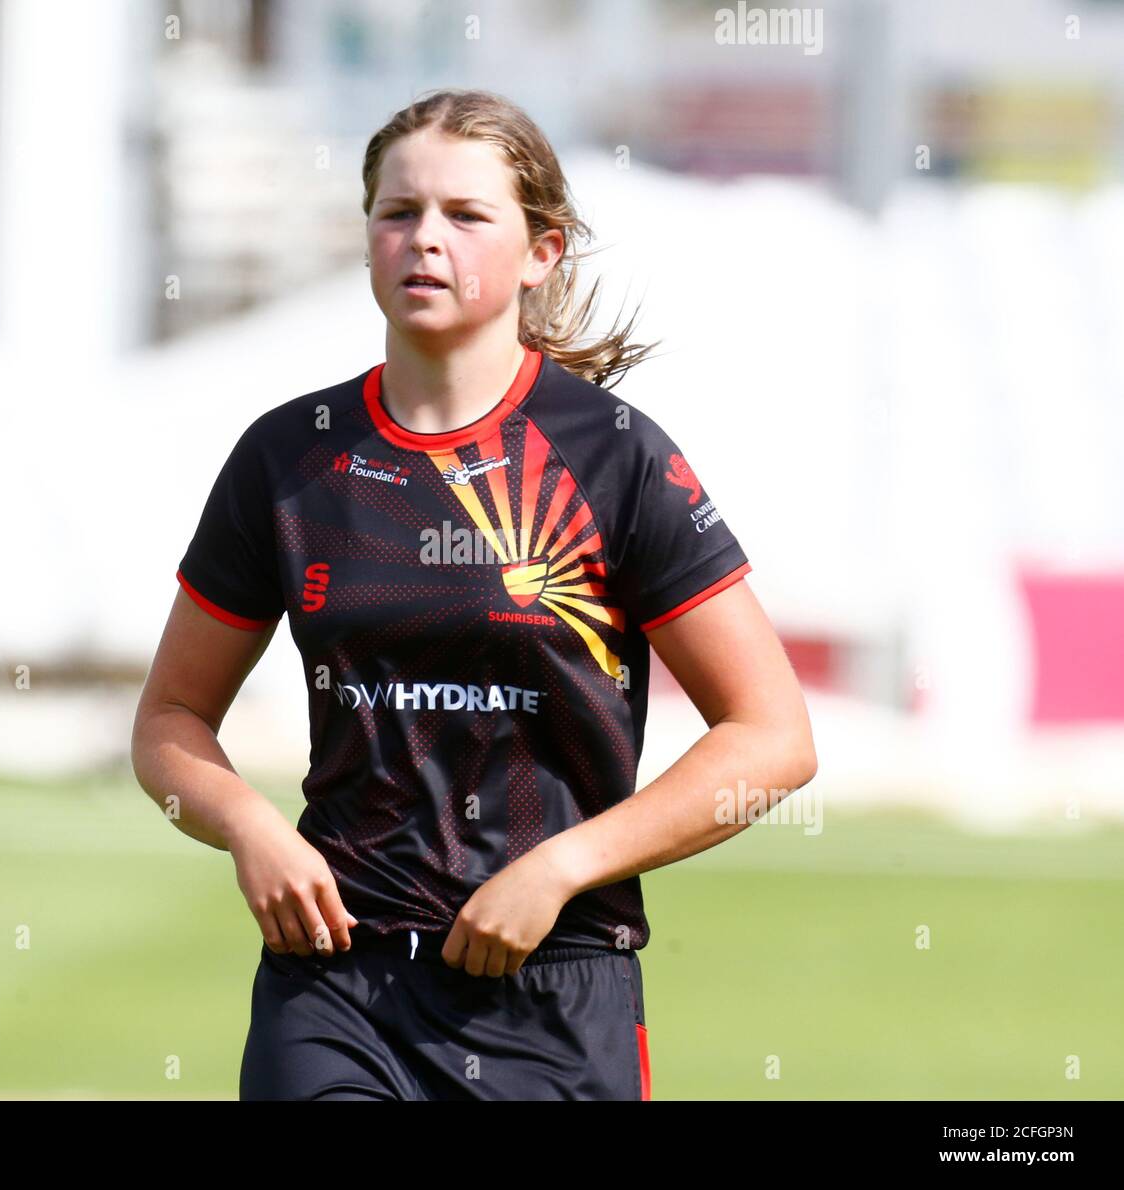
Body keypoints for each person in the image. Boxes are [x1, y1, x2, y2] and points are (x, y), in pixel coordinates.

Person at [131, 88, 817, 1101]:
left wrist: (559, 868)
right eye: (398, 213)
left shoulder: (612, 456)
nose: (424, 240)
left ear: (542, 250)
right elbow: (169, 717)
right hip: (334, 985)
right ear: (364, 237)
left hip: (551, 992)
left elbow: (772, 736)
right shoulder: (287, 456)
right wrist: (248, 823)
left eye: (465, 215)